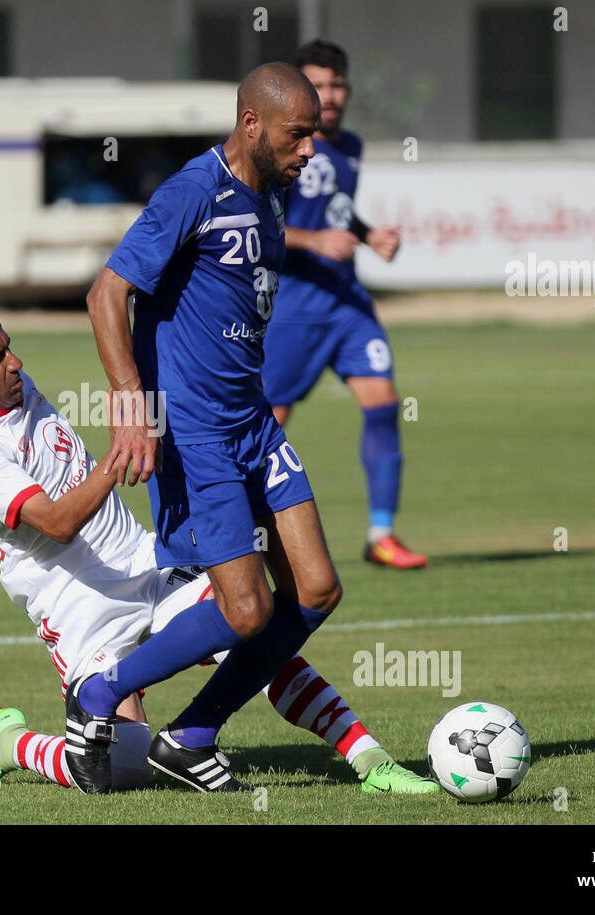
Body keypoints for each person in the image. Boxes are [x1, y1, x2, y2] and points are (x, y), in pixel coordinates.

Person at [0, 301, 436, 795]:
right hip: (72, 602)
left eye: (10, 348)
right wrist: (119, 457)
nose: (14, 364)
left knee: (250, 624)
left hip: (143, 564)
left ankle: (369, 760)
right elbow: (60, 522)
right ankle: (10, 741)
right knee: (116, 772)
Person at [81, 62, 362, 795]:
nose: (310, 150)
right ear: (252, 125)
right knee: (245, 610)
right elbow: (107, 292)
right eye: (298, 135)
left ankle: (193, 731)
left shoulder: (273, 194)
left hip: (254, 424)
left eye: (315, 135)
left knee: (319, 589)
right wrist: (132, 403)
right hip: (197, 433)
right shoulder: (191, 191)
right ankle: (100, 691)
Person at [265, 40, 427, 570]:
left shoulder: (351, 145)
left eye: (337, 85)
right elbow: (259, 223)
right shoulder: (283, 147)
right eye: (318, 86)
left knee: (383, 403)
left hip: (347, 303)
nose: (329, 96)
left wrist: (367, 233)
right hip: (295, 306)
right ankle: (231, 539)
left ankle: (382, 534)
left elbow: (335, 204)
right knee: (267, 427)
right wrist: (314, 242)